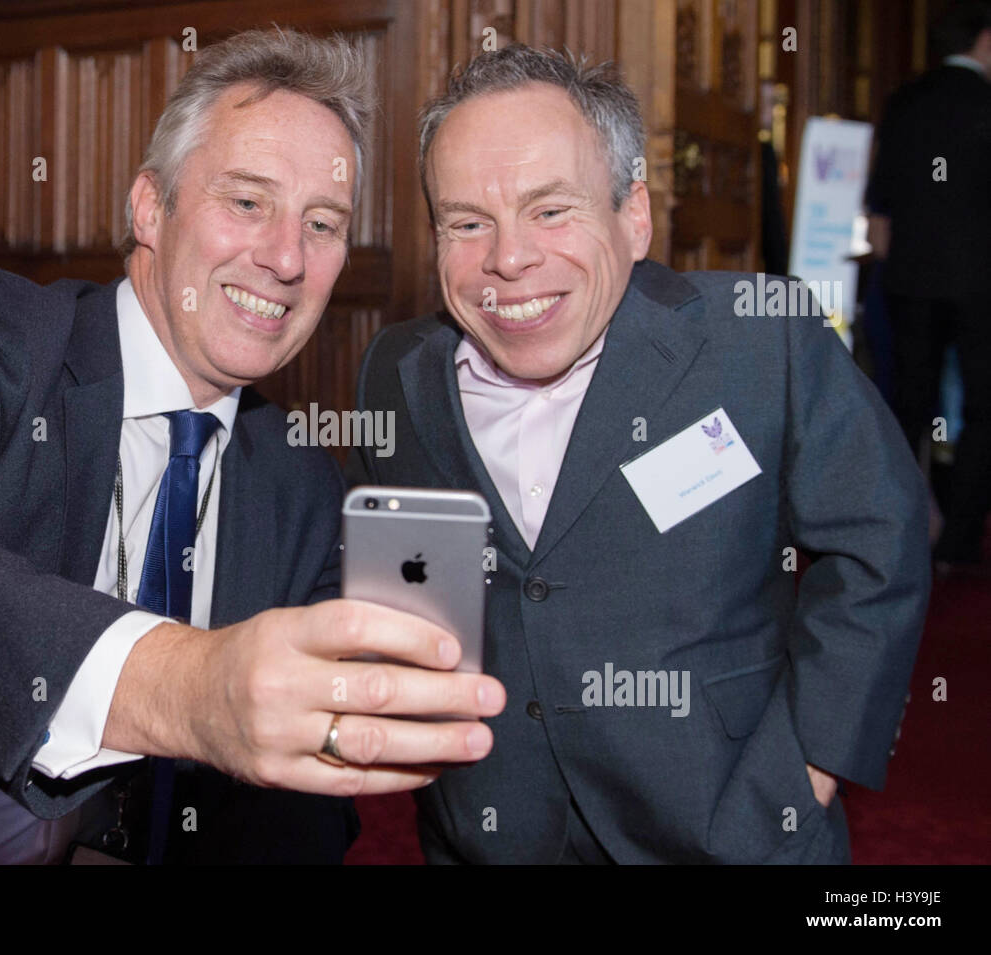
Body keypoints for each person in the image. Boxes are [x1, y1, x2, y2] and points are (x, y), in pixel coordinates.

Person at [0, 28, 505, 866]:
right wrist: (191, 687)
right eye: (248, 202)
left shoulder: (298, 479)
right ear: (149, 206)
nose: (286, 257)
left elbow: (295, 810)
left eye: (323, 223)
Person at [346, 44, 930, 864]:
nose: (509, 259)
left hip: (729, 830)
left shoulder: (759, 341)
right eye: (467, 222)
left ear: (634, 217)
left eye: (552, 210)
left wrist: (810, 768)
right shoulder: (396, 375)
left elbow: (882, 539)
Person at [865, 1, 991, 568]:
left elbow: (879, 214)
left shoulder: (904, 102)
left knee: (906, 405)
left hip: (911, 279)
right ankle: (960, 543)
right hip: (982, 283)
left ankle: (899, 530)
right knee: (984, 409)